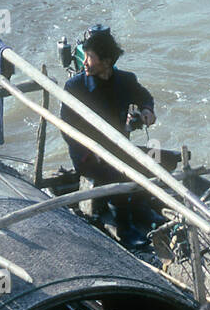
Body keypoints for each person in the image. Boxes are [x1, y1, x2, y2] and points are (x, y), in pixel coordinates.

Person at [59, 25, 156, 249]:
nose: (84, 63)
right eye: (84, 57)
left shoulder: (126, 81)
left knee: (155, 161)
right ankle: (124, 226)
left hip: (119, 146)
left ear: (107, 61)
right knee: (117, 173)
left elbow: (144, 97)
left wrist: (147, 110)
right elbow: (66, 127)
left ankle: (143, 210)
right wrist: (88, 152)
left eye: (90, 58)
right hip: (88, 155)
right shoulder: (75, 87)